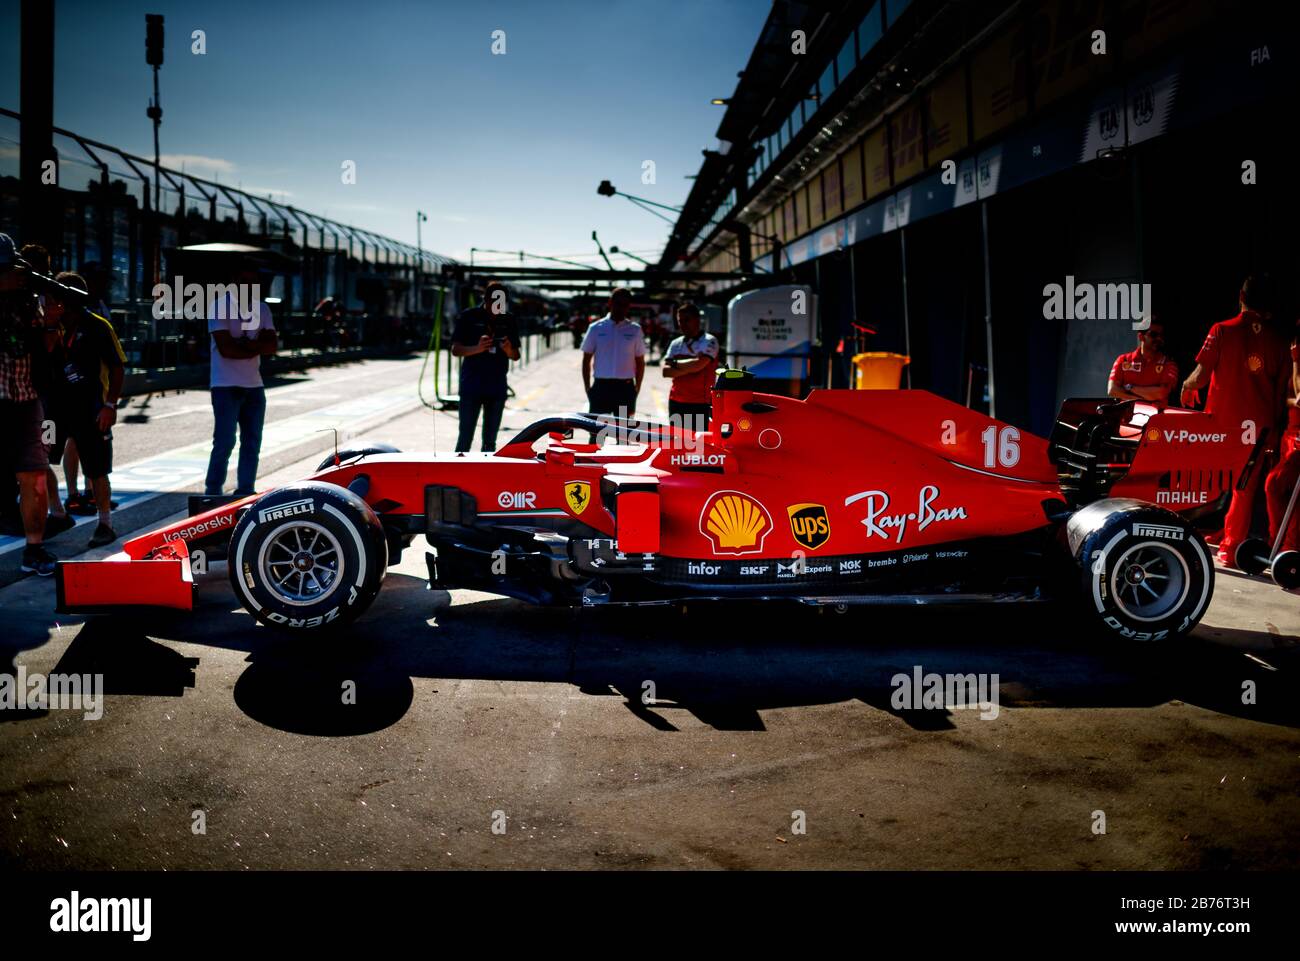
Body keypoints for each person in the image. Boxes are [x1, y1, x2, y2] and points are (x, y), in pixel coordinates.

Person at [1180, 275, 1291, 566]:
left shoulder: (1222, 330)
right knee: (1245, 487)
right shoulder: (1279, 343)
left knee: (1213, 479)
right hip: (1260, 428)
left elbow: (1200, 377)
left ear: (1241, 296)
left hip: (1223, 426)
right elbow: (1281, 395)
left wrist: (1188, 385)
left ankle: (1231, 546)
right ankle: (1227, 535)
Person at [43, 271, 125, 547]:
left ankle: (105, 524)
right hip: (52, 411)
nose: (52, 301)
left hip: (90, 408)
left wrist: (110, 405)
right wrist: (50, 325)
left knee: (98, 469)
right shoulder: (48, 324)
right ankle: (57, 511)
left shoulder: (98, 326)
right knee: (37, 461)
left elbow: (117, 366)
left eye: (57, 296)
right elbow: (42, 355)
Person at [0, 233, 58, 575]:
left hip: (26, 399)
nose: (12, 275)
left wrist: (50, 319)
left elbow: (44, 349)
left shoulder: (26, 302)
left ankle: (34, 549)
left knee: (34, 476)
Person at [204, 266, 277, 495]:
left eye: (252, 282)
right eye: (243, 281)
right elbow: (227, 350)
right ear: (233, 281)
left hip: (254, 385)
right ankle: (212, 491)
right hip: (225, 385)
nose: (248, 287)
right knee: (225, 442)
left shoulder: (262, 308)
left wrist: (245, 346)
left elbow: (272, 346)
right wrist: (255, 347)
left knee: (252, 443)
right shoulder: (220, 305)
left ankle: (245, 490)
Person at [450, 280, 520, 453]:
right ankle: (458, 474)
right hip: (472, 385)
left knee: (490, 442)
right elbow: (456, 350)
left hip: (496, 387)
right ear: (486, 300)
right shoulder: (468, 316)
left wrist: (508, 348)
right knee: (465, 438)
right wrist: (478, 348)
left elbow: (516, 355)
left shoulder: (509, 319)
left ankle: (485, 477)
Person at [1264, 319, 1300, 554]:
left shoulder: (1296, 359)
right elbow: (1289, 397)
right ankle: (1277, 543)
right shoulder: (1293, 363)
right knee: (1275, 486)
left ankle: (1290, 547)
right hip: (1291, 436)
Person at [582, 287, 645, 420]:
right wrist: (588, 388)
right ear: (610, 303)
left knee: (624, 435)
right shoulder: (595, 328)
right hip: (601, 387)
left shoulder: (635, 330)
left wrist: (637, 389)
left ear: (629, 306)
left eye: (625, 304)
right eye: (617, 303)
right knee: (596, 434)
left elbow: (640, 361)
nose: (620, 308)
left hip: (625, 389)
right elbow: (586, 359)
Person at [662, 302, 720, 432]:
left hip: (700, 404)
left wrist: (675, 363)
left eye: (686, 320)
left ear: (697, 320)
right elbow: (666, 372)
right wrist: (692, 365)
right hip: (676, 402)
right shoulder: (675, 343)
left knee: (698, 447)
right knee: (677, 444)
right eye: (680, 321)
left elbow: (699, 366)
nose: (682, 324)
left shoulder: (709, 341)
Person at [1107, 316, 1178, 405]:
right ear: (1141, 337)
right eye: (1153, 335)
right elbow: (1112, 390)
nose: (1159, 339)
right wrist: (1141, 400)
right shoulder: (1123, 360)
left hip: (1156, 417)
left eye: (1161, 335)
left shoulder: (1169, 363)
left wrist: (1129, 387)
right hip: (1127, 416)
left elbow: (1161, 393)